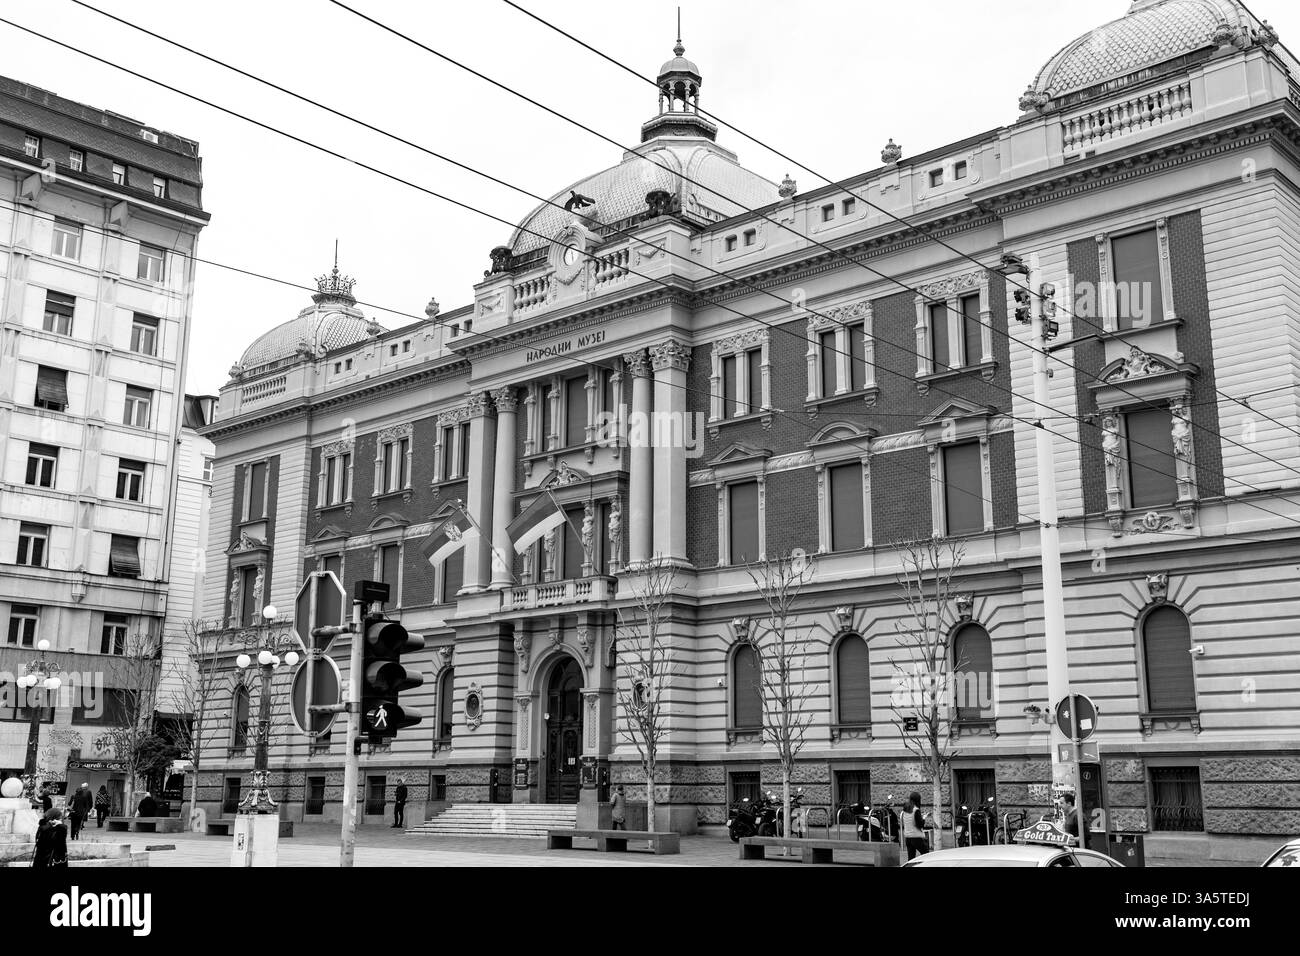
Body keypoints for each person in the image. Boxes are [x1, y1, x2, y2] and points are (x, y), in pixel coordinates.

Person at [901, 791, 929, 860]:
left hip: (908, 838)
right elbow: (920, 825)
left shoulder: (905, 810)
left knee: (911, 858)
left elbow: (908, 821)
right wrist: (924, 818)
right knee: (926, 855)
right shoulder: (916, 810)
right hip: (916, 837)